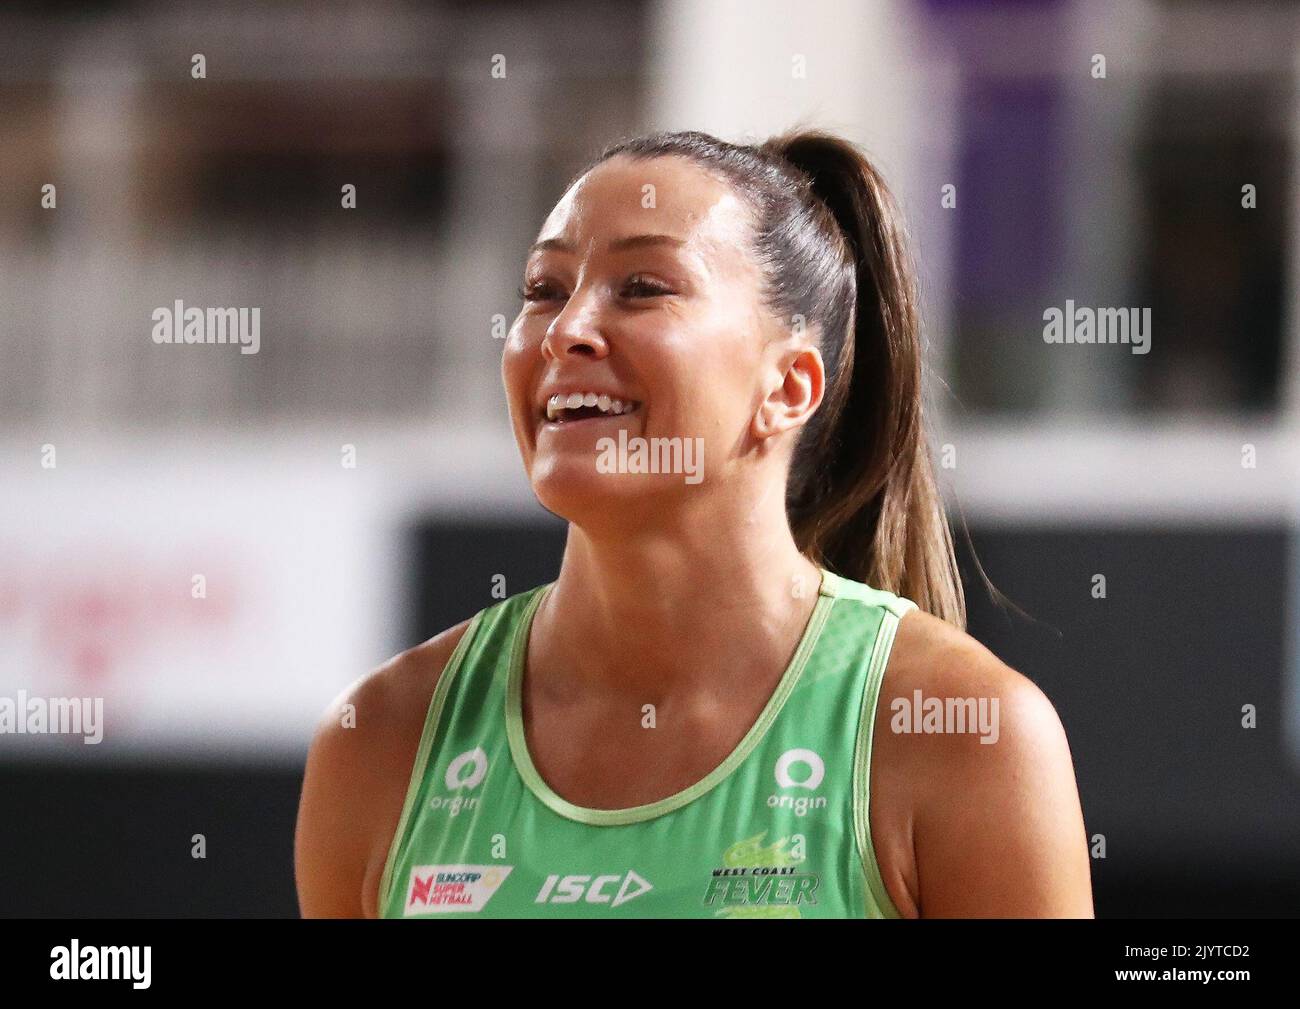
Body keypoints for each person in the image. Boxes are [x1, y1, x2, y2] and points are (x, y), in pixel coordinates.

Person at [295, 128, 1094, 918]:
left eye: (642, 286)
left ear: (788, 385)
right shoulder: (382, 743)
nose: (567, 329)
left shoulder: (962, 734)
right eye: (544, 289)